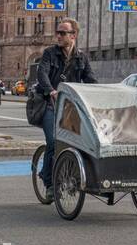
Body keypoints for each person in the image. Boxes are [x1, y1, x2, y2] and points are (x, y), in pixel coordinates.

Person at [34, 17, 97, 202]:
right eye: (58, 32)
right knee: (54, 142)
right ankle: (49, 185)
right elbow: (42, 73)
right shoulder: (49, 53)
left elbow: (90, 79)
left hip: (70, 107)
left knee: (76, 144)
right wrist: (51, 91)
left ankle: (70, 177)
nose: (58, 36)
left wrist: (98, 94)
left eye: (63, 33)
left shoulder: (81, 57)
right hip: (49, 104)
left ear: (73, 35)